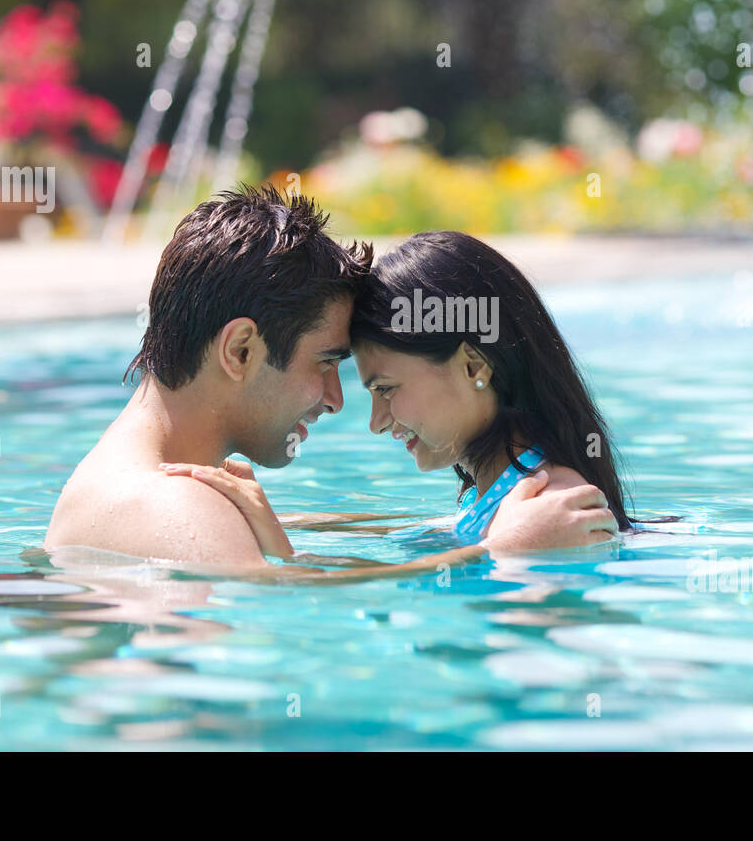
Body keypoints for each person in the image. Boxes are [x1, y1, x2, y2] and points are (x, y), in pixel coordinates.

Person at [45, 185, 614, 581]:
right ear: (240, 350)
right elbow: (291, 616)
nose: (339, 402)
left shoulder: (126, 484)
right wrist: (496, 553)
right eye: (326, 363)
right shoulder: (176, 510)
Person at [162, 229, 642, 553]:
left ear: (475, 364)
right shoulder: (508, 495)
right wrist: (273, 521)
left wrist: (502, 553)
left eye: (386, 388)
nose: (376, 421)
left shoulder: (556, 510)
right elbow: (443, 538)